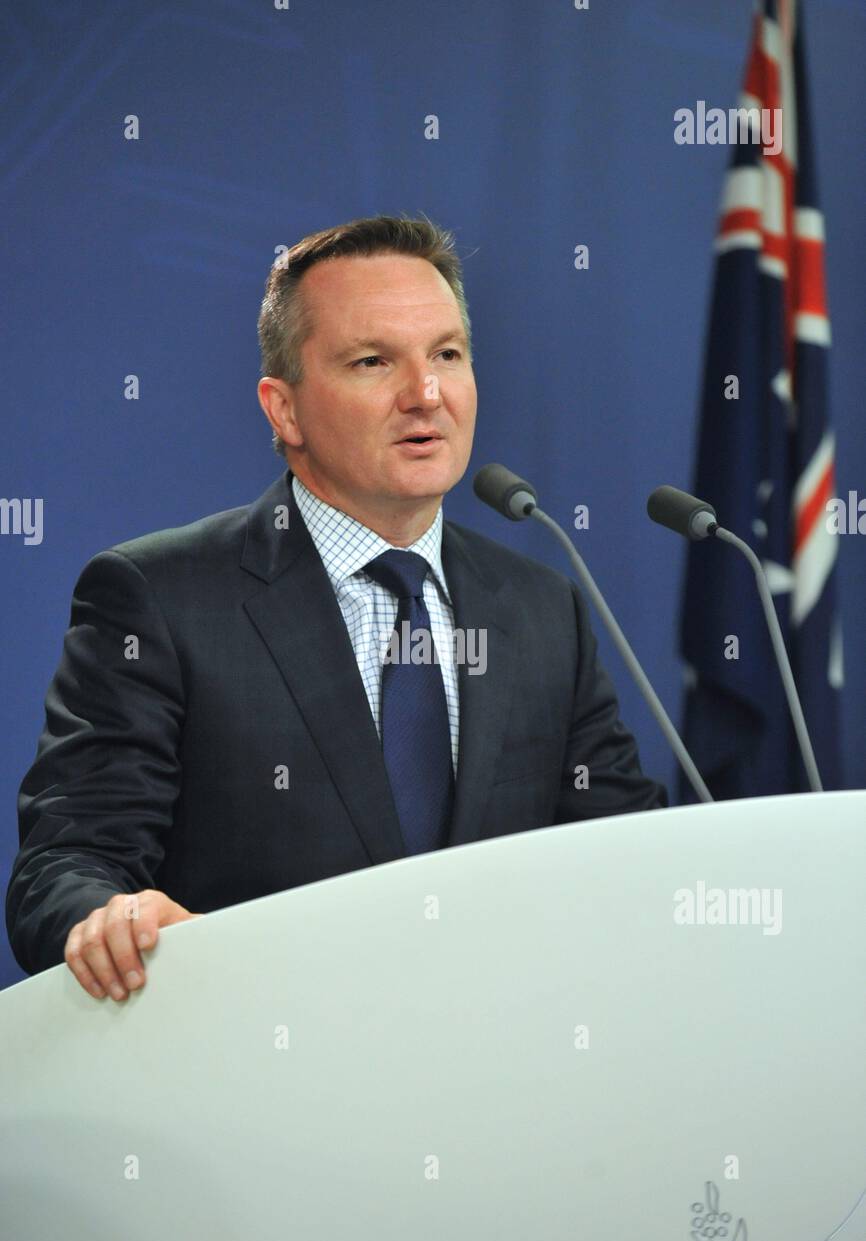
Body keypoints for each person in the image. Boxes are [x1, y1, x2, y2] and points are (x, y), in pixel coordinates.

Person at [5, 214, 666, 998]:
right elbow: (66, 864)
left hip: (499, 1080)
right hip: (256, 1074)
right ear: (284, 410)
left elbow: (627, 855)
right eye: (372, 361)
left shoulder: (540, 609)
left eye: (447, 355)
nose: (425, 394)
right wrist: (109, 916)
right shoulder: (160, 598)